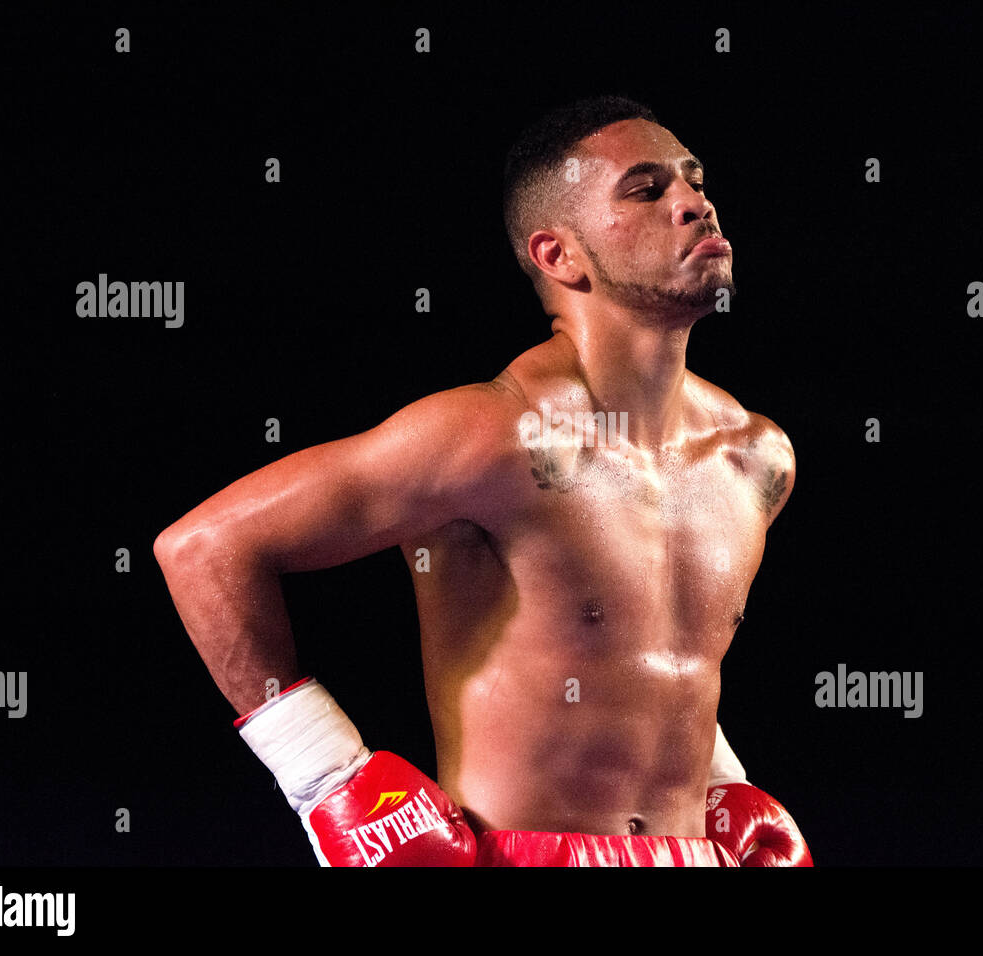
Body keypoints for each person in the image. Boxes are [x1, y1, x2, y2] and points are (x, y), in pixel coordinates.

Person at [154, 95, 812, 867]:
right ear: (558, 256)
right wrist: (327, 777)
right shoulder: (490, 434)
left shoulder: (755, 458)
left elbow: (662, 668)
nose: (694, 203)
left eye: (694, 181)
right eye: (647, 189)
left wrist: (724, 782)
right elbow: (203, 547)